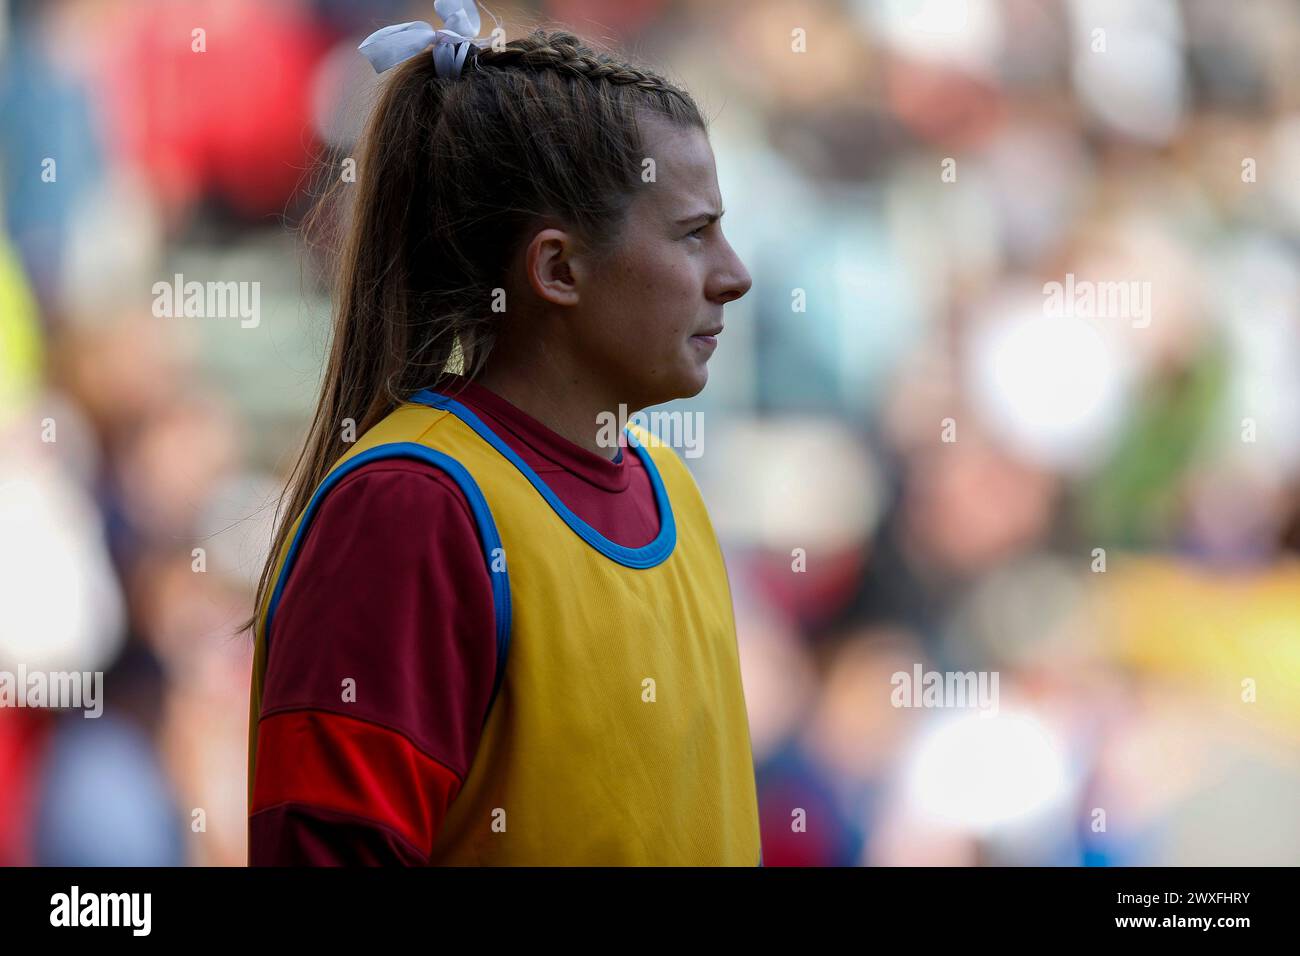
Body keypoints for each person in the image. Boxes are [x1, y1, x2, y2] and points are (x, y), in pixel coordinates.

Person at [245, 4, 759, 865]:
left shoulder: (674, 490)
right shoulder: (412, 507)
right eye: (692, 234)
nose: (734, 275)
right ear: (557, 268)